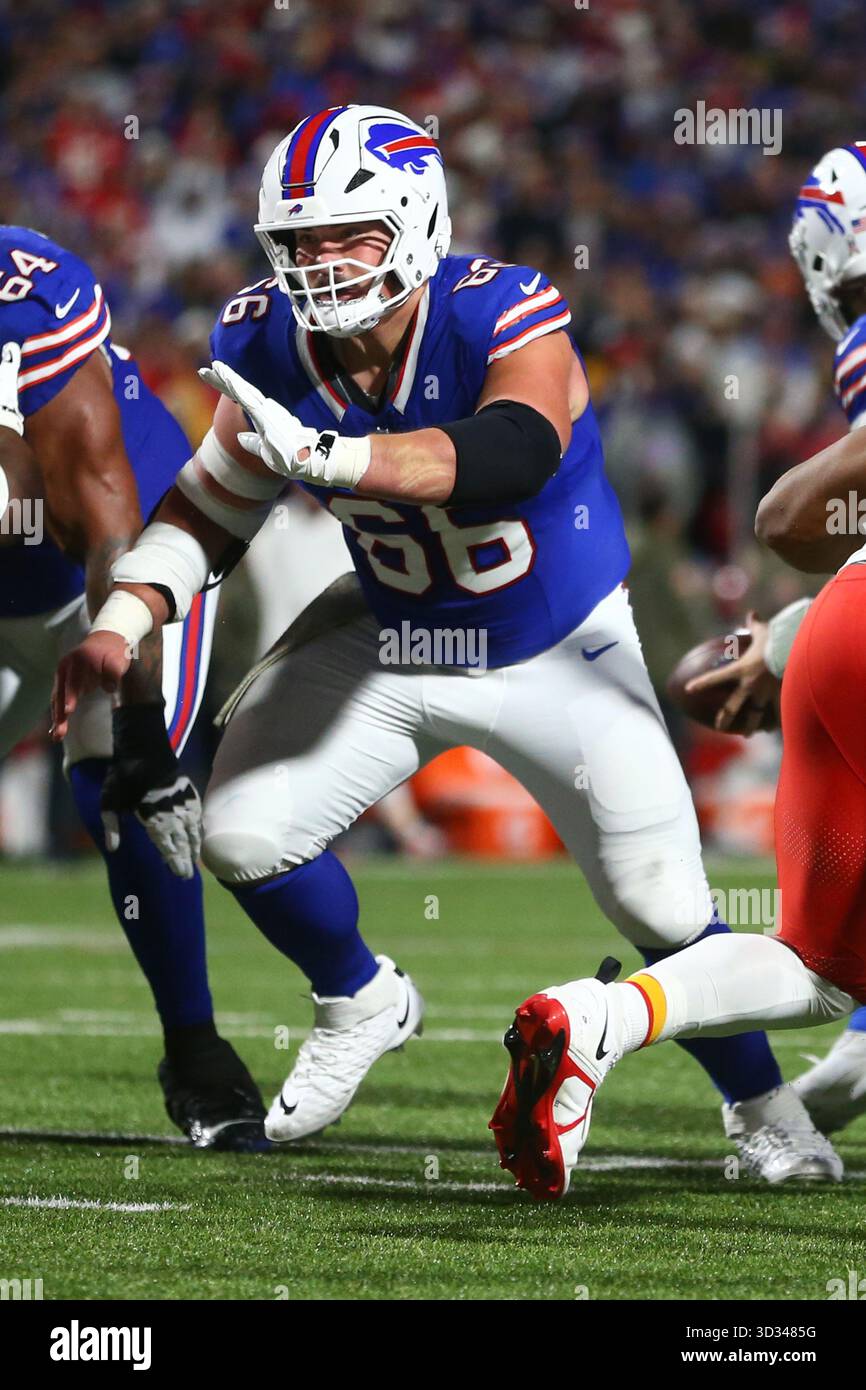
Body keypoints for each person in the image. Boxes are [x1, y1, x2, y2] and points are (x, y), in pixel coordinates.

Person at [52, 106, 829, 1181]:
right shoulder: (266, 340)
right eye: (301, 241)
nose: (320, 264)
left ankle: (763, 1109)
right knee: (238, 829)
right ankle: (361, 996)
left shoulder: (496, 307)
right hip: (387, 632)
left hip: (552, 645)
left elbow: (513, 448)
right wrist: (123, 620)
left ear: (414, 222)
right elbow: (207, 511)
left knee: (658, 901)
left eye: (350, 235)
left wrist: (335, 457)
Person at [488, 144, 866, 1198]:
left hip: (840, 625)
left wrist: (791, 632)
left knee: (815, 965)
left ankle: (599, 1018)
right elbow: (791, 514)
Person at [0, 228, 265, 1148]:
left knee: (119, 789)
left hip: (125, 565)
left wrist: (146, 734)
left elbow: (110, 533)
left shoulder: (26, 311)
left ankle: (201, 1056)